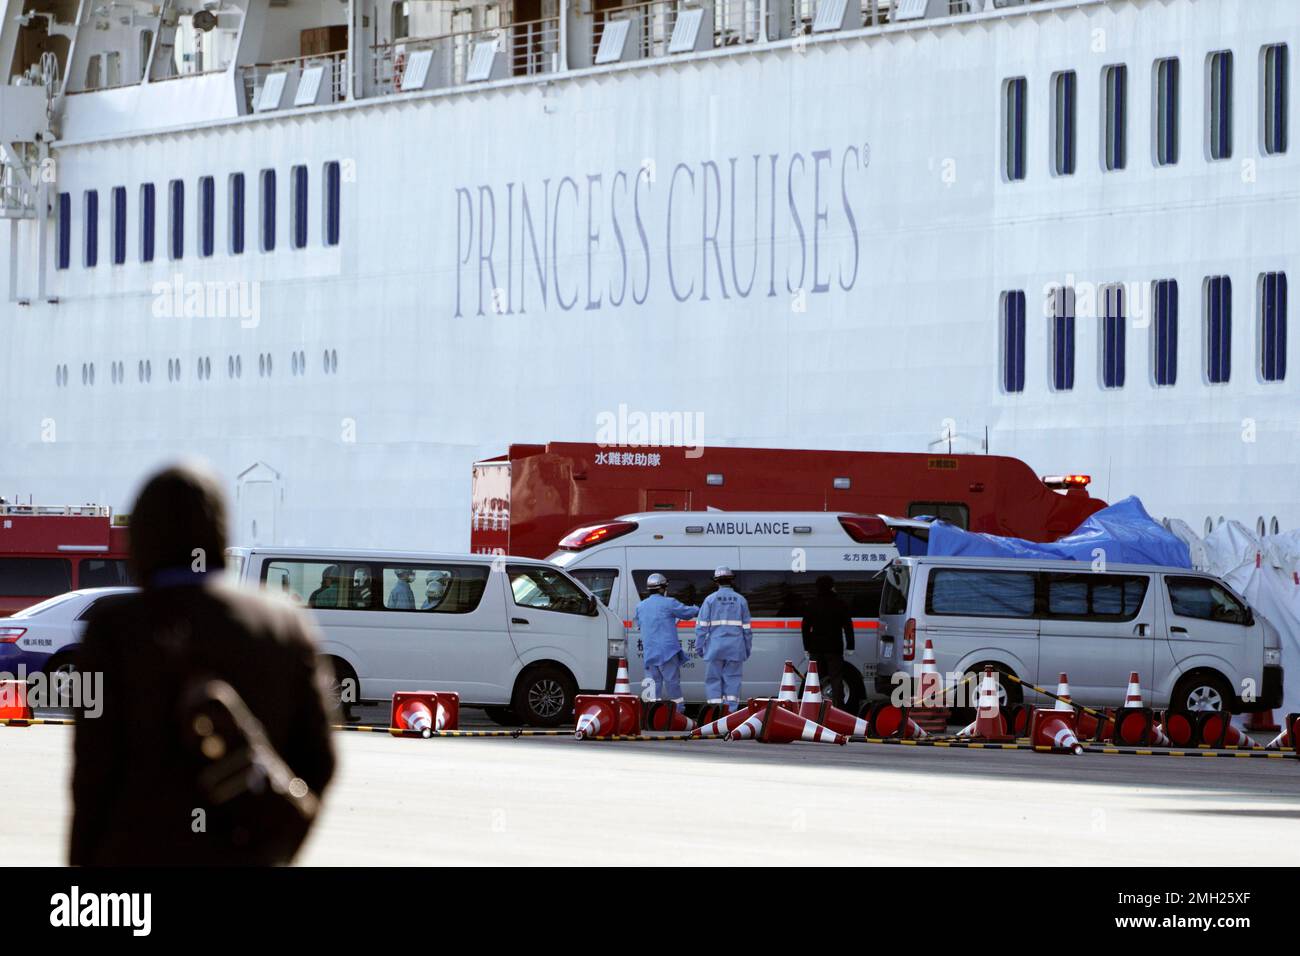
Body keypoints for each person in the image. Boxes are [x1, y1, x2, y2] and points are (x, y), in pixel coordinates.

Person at [70, 462, 337, 865]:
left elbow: (92, 773)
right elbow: (320, 760)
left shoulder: (113, 629)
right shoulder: (284, 623)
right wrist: (277, 847)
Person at [633, 573, 698, 712]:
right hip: (668, 652)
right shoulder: (670, 603)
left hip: (650, 652)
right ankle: (678, 712)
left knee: (652, 685)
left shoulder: (640, 606)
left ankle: (650, 714)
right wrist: (698, 608)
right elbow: (687, 613)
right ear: (662, 588)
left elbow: (637, 625)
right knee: (672, 683)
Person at [695, 566, 751, 711]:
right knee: (733, 680)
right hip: (736, 648)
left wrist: (699, 647)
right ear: (731, 581)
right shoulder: (741, 600)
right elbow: (747, 629)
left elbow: (701, 628)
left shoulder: (710, 600)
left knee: (713, 680)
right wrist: (747, 649)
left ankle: (714, 713)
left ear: (716, 582)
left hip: (715, 648)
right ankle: (730, 713)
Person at [801, 575, 855, 706]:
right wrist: (850, 646)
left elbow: (805, 627)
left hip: (816, 648)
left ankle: (814, 706)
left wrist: (807, 647)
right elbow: (848, 626)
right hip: (834, 647)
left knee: (815, 678)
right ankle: (839, 708)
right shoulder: (840, 603)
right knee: (836, 678)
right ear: (832, 586)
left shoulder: (812, 603)